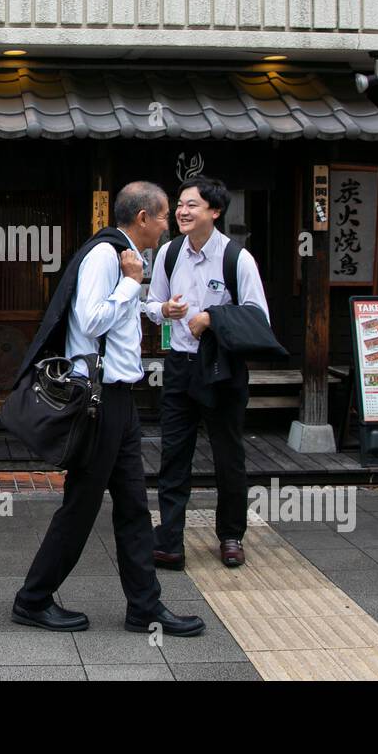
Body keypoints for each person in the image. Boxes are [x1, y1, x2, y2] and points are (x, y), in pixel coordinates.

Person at [12, 182, 206, 637]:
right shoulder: (106, 256)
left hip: (121, 400)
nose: (167, 225)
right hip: (99, 400)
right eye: (162, 217)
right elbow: (91, 318)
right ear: (142, 218)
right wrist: (133, 283)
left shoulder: (126, 258)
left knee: (134, 506)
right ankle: (33, 599)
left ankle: (144, 607)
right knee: (81, 506)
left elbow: (123, 309)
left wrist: (160, 308)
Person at [145, 176, 270, 569]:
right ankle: (169, 542)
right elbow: (150, 303)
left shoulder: (237, 258)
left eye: (191, 205)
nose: (181, 211)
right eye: (180, 204)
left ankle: (231, 536)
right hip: (180, 366)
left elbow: (258, 316)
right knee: (173, 455)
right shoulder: (168, 254)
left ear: (214, 212)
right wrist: (164, 312)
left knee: (227, 455)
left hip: (222, 369)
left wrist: (210, 318)